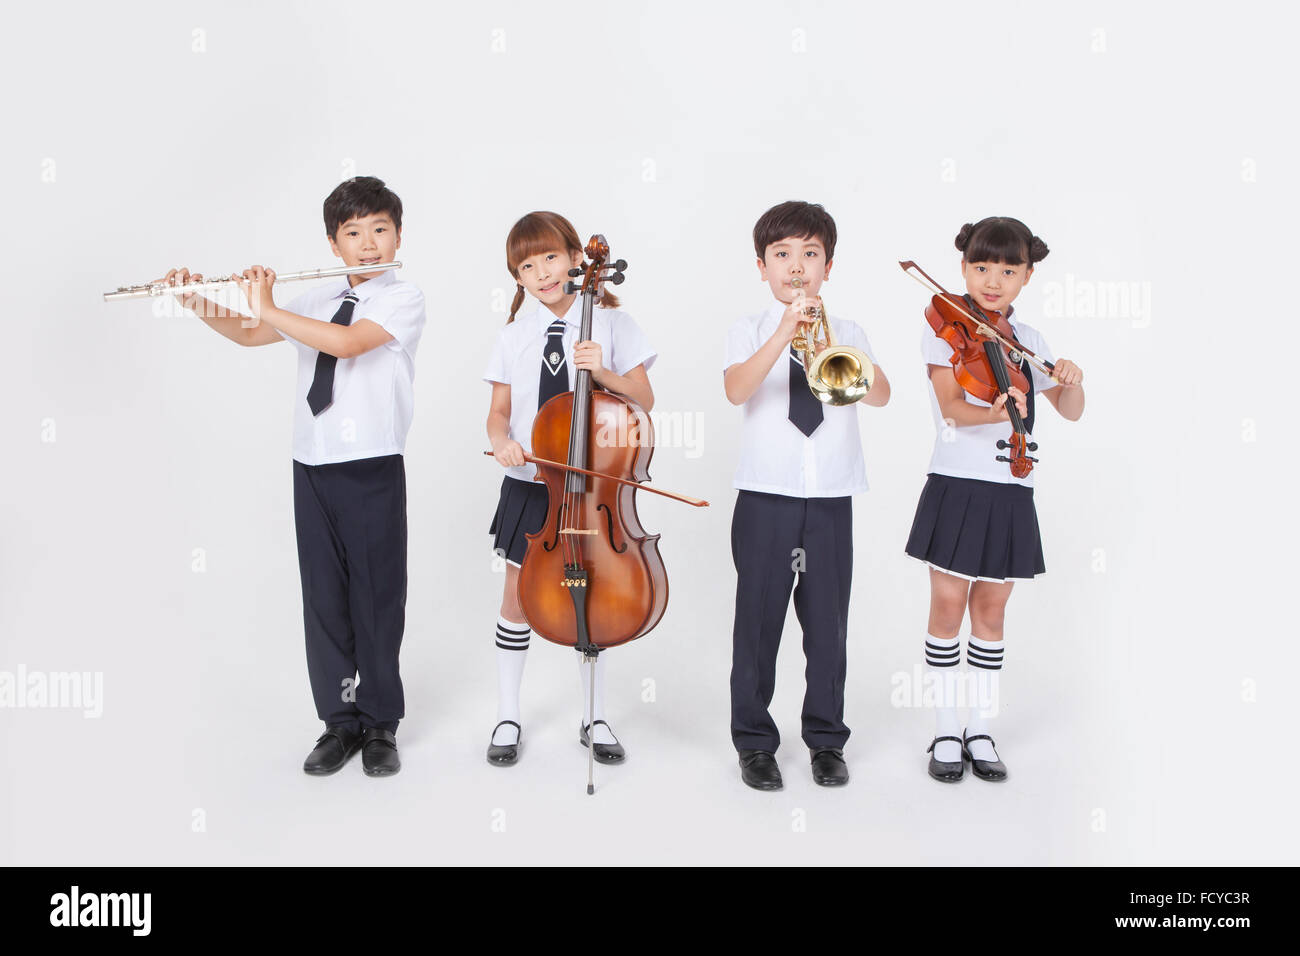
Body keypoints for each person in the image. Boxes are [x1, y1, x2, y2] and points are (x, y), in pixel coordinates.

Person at [161, 176, 425, 777]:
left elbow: (350, 343)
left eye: (380, 230)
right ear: (333, 242)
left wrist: (270, 304)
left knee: (376, 598)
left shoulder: (401, 299)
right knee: (324, 599)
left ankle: (380, 722)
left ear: (399, 235)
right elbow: (256, 333)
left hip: (371, 464)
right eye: (353, 233)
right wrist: (194, 297)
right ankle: (340, 721)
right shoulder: (317, 293)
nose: (368, 244)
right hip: (311, 463)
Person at [905, 216, 1084, 783]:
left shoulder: (1031, 344)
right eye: (981, 267)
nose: (992, 279)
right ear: (963, 269)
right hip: (958, 484)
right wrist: (996, 409)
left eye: (1008, 269)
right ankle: (944, 728)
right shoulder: (945, 327)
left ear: (1027, 275)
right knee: (948, 603)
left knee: (991, 609)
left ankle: (979, 728)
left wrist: (1073, 379)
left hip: (1012, 488)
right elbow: (953, 408)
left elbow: (1070, 409)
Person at [723, 200, 891, 791]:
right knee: (758, 622)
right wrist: (781, 334)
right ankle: (754, 743)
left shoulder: (849, 332)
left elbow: (881, 396)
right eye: (783, 255)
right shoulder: (748, 328)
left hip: (830, 497)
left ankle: (825, 740)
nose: (797, 266)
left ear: (829, 265)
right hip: (766, 497)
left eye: (810, 254)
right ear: (763, 266)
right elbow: (737, 389)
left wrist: (825, 345)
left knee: (828, 626)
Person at [482, 211, 656, 766]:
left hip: (597, 489)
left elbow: (643, 401)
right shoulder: (512, 336)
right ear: (518, 277)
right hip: (534, 484)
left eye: (551, 258)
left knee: (597, 600)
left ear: (578, 259)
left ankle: (595, 715)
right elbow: (498, 415)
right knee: (518, 596)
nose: (541, 273)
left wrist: (603, 373)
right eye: (526, 266)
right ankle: (508, 712)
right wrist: (504, 442)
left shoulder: (616, 326)